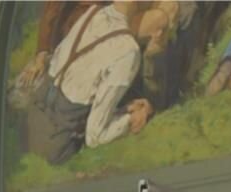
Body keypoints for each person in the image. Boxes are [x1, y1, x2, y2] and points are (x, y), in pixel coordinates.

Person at [21, 0, 155, 164]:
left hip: (31, 124)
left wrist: (125, 108)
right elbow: (95, 137)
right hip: (55, 145)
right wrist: (131, 118)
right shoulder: (128, 50)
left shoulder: (92, 13)